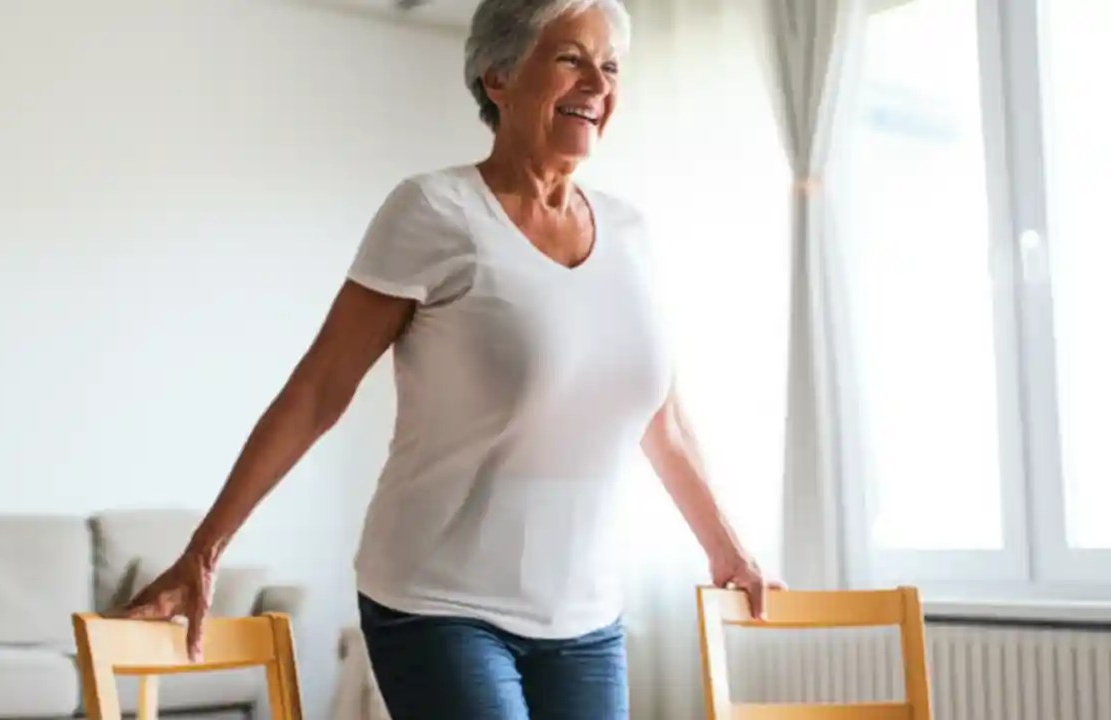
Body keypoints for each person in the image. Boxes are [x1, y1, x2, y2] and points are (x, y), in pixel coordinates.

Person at [118, 0, 780, 717]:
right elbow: (318, 391)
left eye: (610, 65)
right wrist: (204, 550)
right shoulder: (434, 211)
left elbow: (666, 421)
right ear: (498, 77)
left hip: (585, 618)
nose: (596, 83)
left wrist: (728, 549)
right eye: (569, 58)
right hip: (437, 601)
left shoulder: (630, 233)